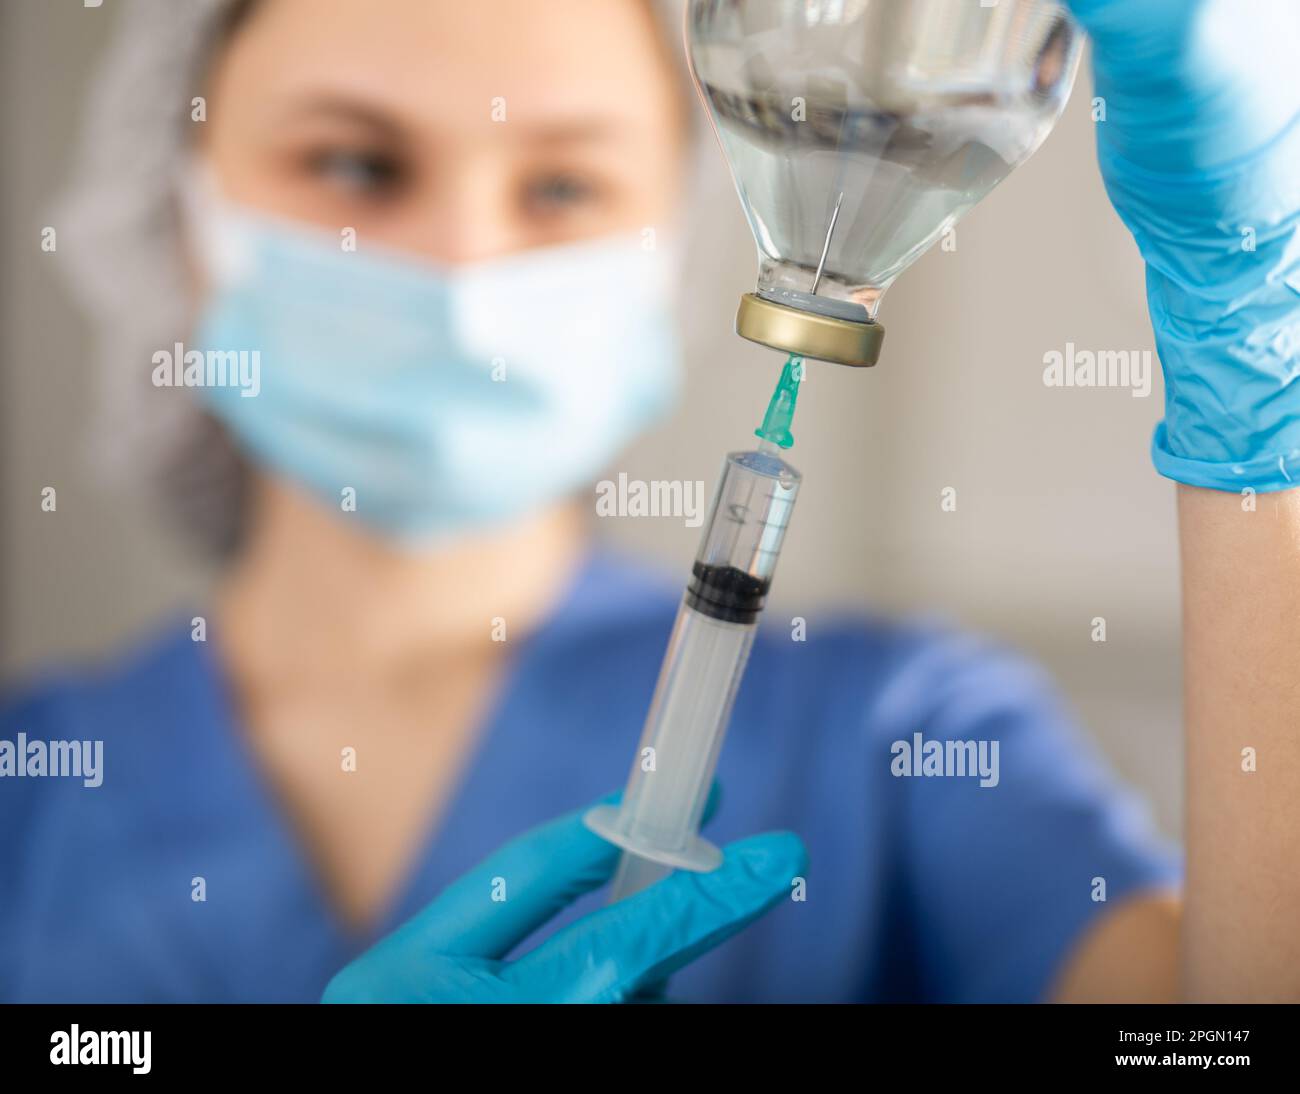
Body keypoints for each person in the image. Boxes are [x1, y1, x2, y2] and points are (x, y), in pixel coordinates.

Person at [2, 0, 1296, 1003]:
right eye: (352, 166)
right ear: (176, 211)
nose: (466, 258)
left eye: (563, 185)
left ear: (668, 240)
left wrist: (1253, 354)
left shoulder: (905, 738)